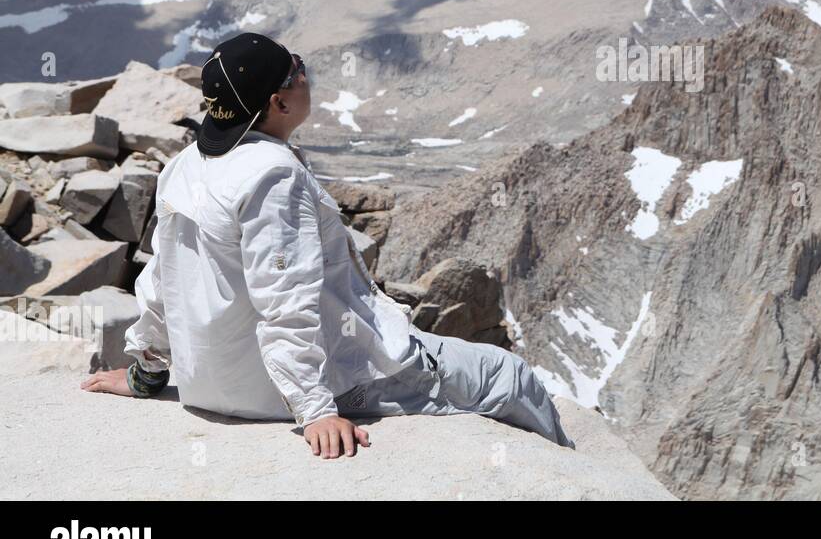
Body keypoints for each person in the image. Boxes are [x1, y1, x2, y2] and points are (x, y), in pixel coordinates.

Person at [81, 32, 574, 457]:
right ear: (279, 103)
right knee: (508, 374)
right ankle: (574, 469)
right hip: (272, 392)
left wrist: (146, 373)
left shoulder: (184, 164)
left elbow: (162, 279)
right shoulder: (273, 176)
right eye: (297, 70)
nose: (305, 76)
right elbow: (285, 301)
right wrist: (315, 409)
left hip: (204, 382)